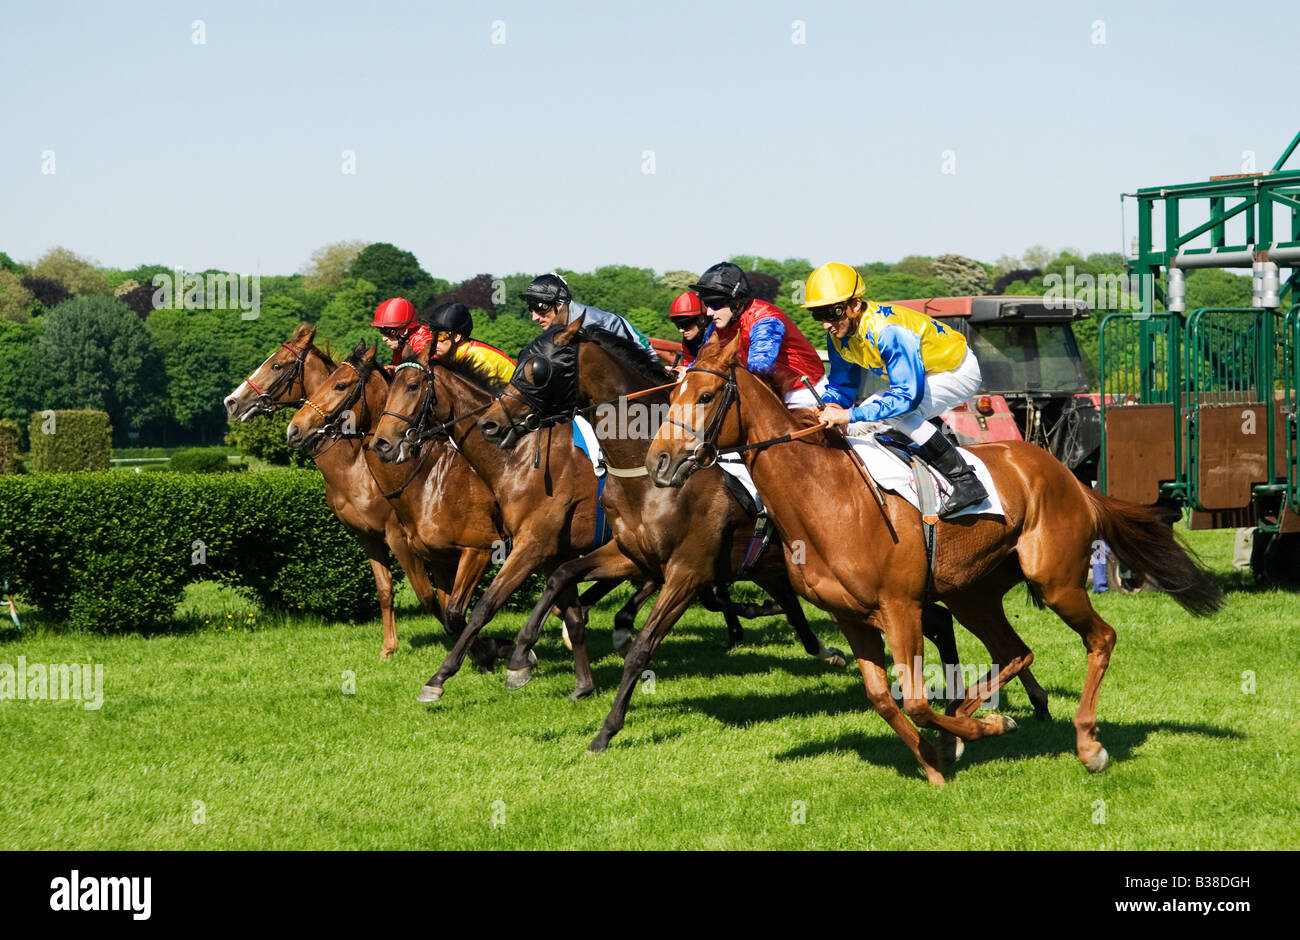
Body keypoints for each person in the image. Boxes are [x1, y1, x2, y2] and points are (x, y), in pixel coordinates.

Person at [802, 261, 987, 518]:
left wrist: (848, 414)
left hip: (955, 370)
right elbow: (842, 384)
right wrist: (830, 405)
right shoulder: (837, 335)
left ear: (855, 305)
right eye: (818, 315)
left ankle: (966, 481)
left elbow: (906, 398)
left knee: (898, 415)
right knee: (858, 426)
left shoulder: (888, 331)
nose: (825, 324)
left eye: (832, 313)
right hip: (922, 374)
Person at [690, 262, 825, 406]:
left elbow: (758, 367)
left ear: (737, 300)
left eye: (715, 304)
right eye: (706, 305)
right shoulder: (721, 322)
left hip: (802, 392)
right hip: (766, 390)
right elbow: (706, 358)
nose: (710, 312)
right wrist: (688, 371)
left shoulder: (765, 319)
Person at [520, 273, 660, 367]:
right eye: (530, 309)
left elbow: (647, 352)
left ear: (559, 305)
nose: (534, 317)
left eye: (539, 308)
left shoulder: (603, 322)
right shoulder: (552, 330)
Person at [423, 302, 516, 385]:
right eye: (432, 335)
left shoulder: (478, 358)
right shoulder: (451, 354)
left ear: (456, 337)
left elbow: (489, 399)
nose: (434, 342)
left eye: (440, 336)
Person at [372, 297, 431, 366]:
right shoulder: (402, 343)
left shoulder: (421, 340)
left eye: (389, 333)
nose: (384, 339)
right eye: (382, 332)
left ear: (405, 330)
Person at [666, 291, 709, 372]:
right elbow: (688, 364)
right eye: (678, 325)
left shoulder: (717, 333)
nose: (681, 330)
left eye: (684, 324)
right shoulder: (688, 341)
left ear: (701, 319)